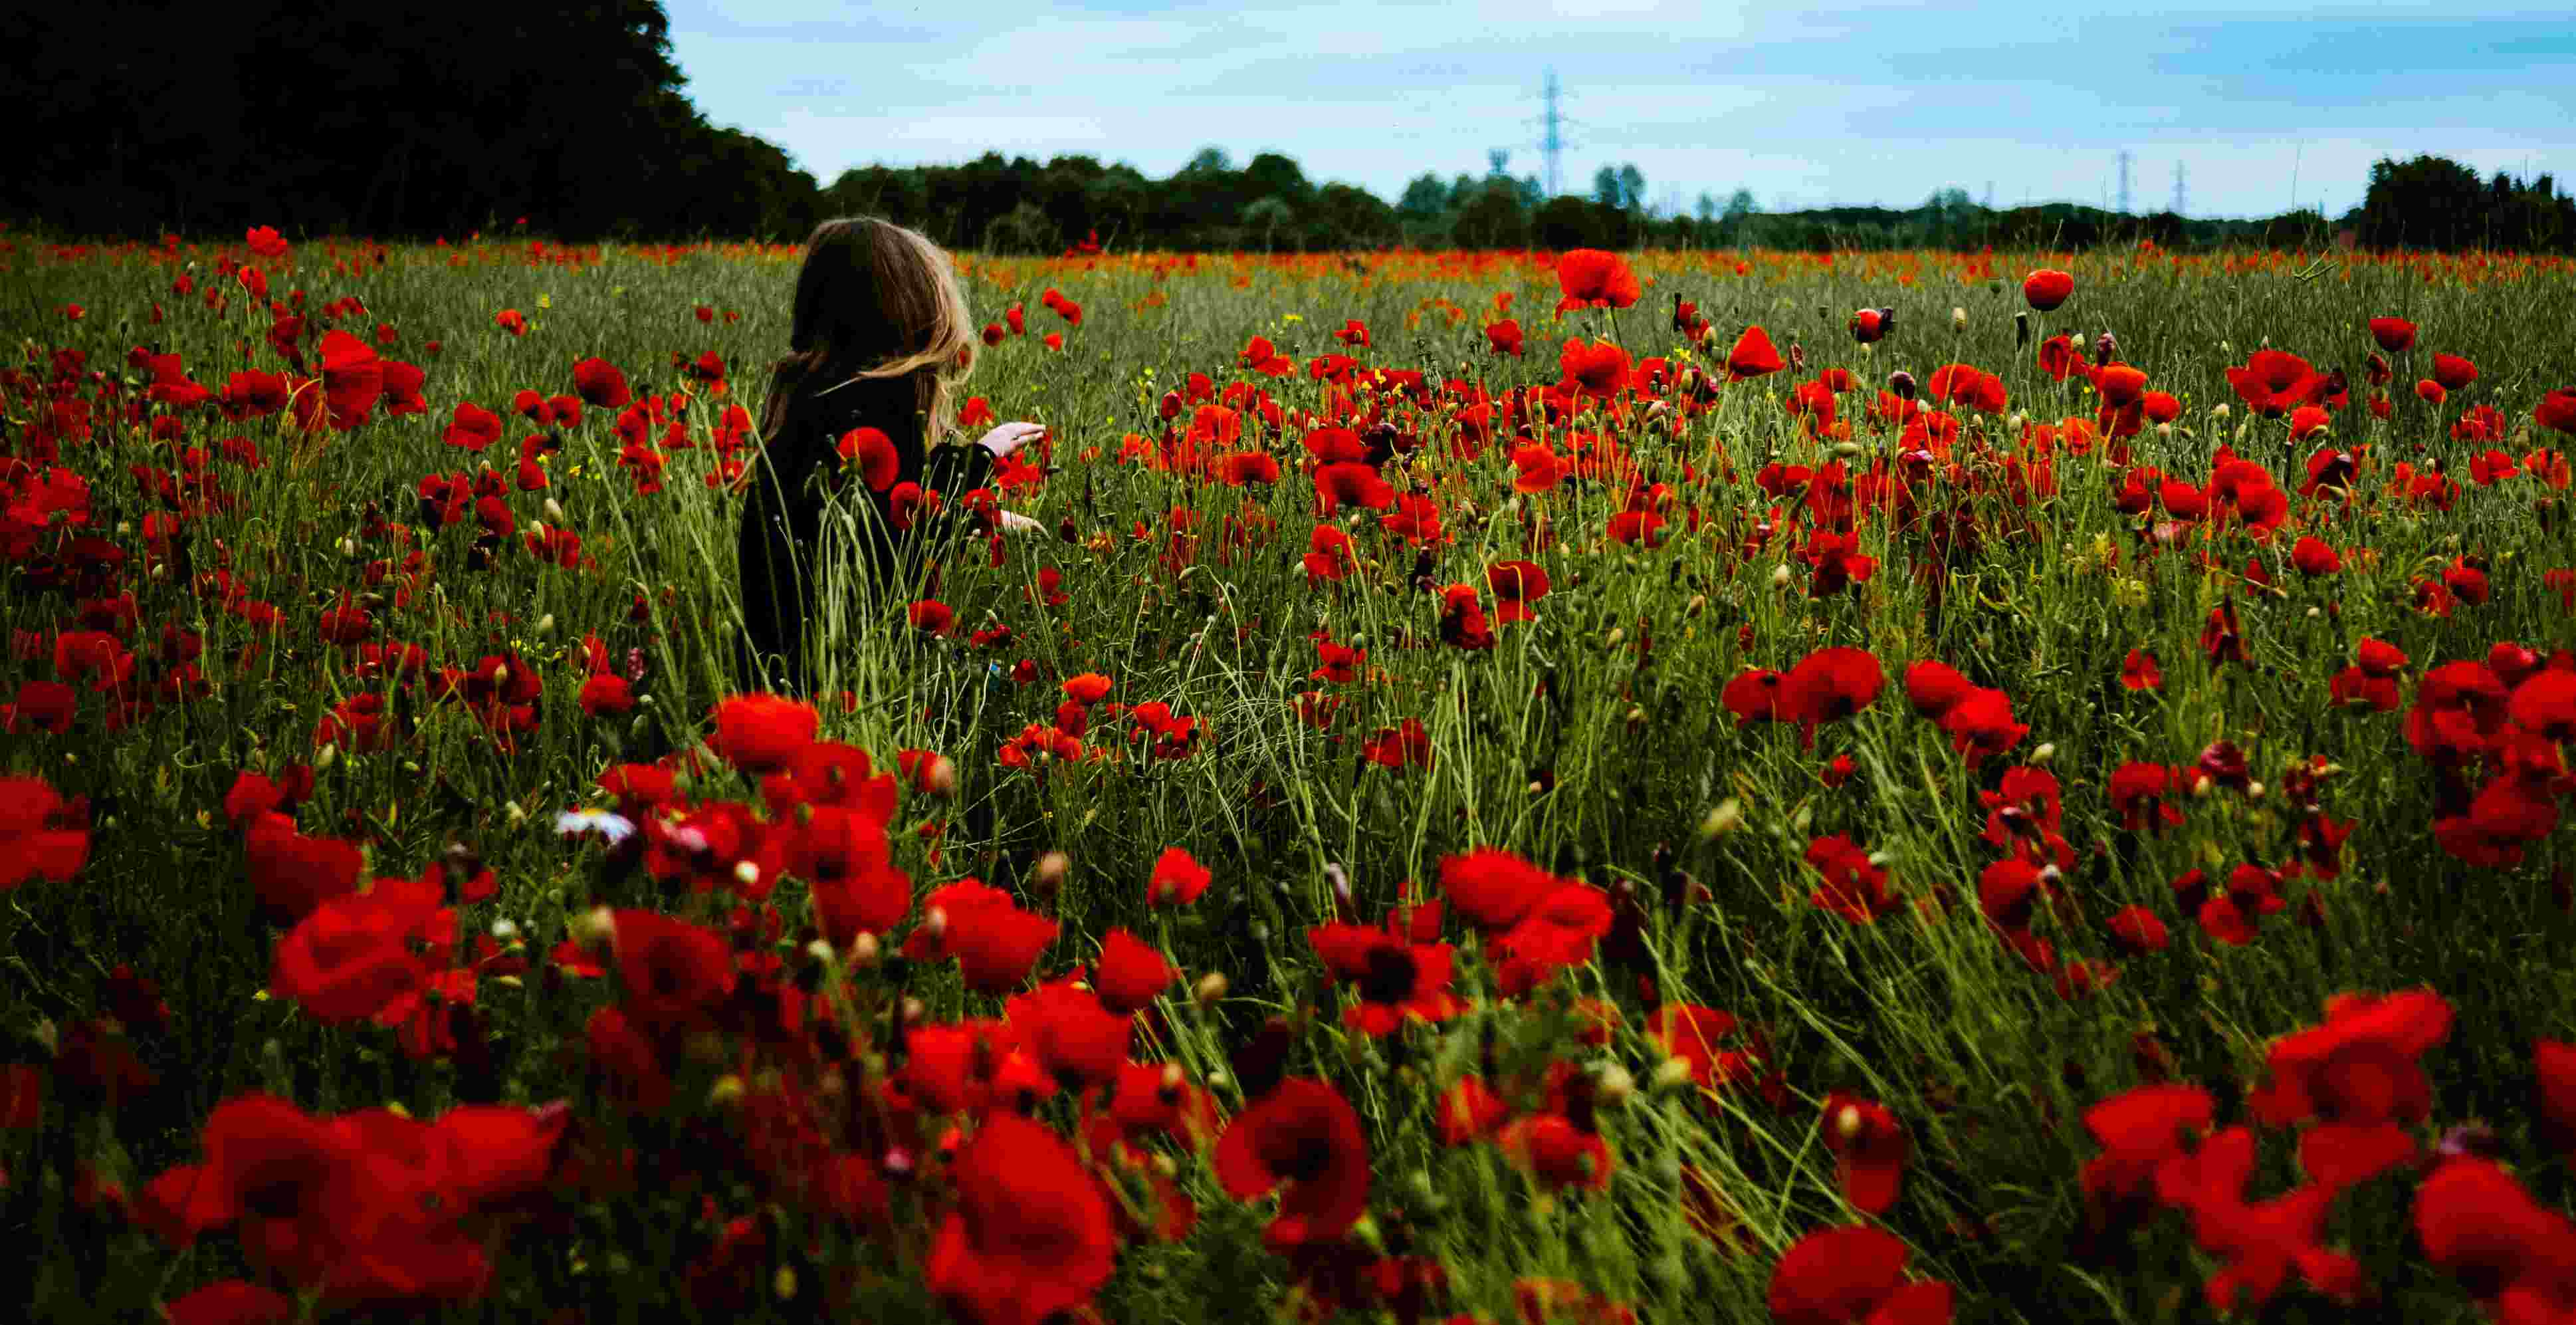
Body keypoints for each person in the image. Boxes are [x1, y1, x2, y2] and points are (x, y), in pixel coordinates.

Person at [736, 217, 1043, 694]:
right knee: (1009, 687)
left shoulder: (808, 404)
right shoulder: (878, 414)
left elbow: (886, 509)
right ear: (910, 314)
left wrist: (987, 511)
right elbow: (896, 547)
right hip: (844, 677)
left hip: (772, 675)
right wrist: (981, 457)